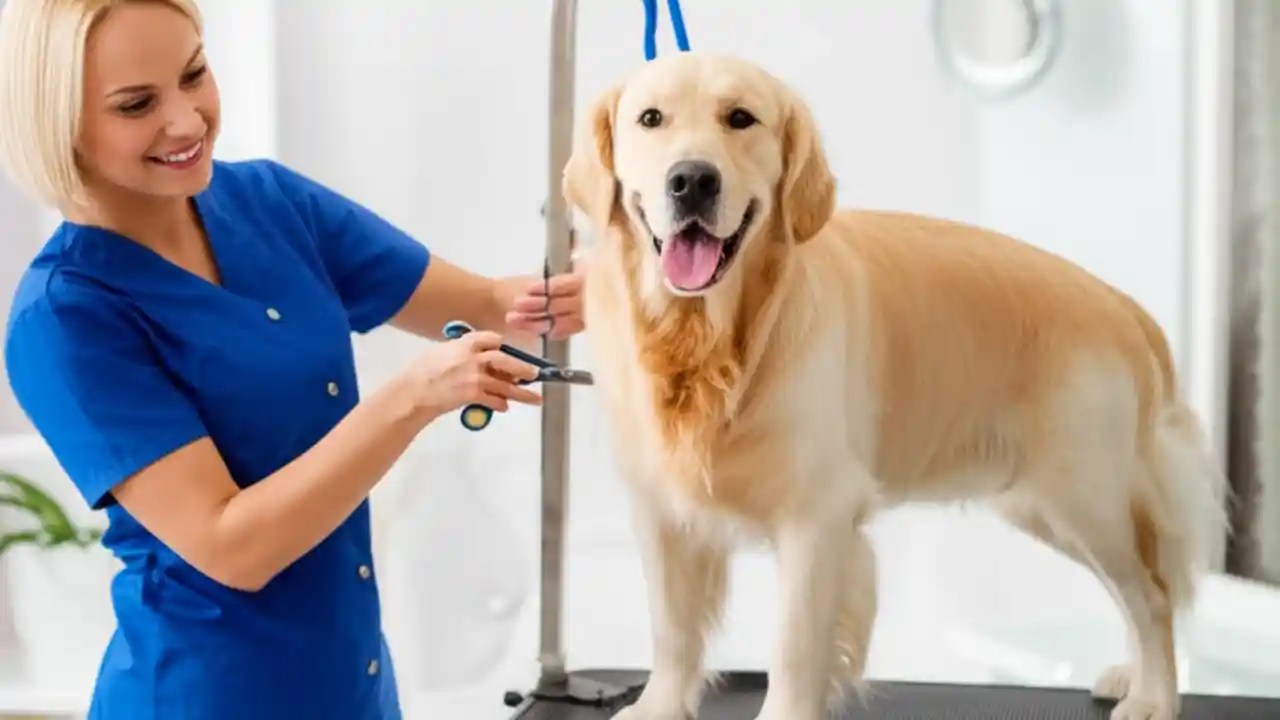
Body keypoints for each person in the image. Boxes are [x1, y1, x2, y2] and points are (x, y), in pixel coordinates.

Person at [0, 1, 586, 718]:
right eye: (136, 104)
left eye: (194, 74)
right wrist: (409, 401)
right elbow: (231, 547)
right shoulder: (65, 316)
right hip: (211, 697)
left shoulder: (270, 200)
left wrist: (634, 273)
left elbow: (493, 302)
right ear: (56, 122)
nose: (185, 121)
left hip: (353, 683)